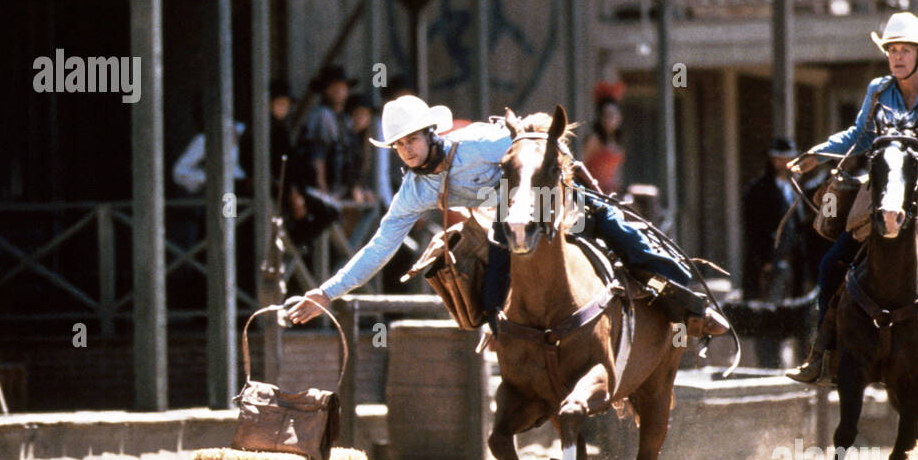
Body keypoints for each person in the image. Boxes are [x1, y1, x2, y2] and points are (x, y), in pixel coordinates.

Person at [287, 95, 730, 341]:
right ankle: (502, 337)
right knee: (484, 285)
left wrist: (571, 190)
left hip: (549, 204)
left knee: (617, 230)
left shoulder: (481, 142)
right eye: (398, 145)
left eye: (411, 140)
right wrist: (326, 293)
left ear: (430, 133)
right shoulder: (415, 190)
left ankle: (692, 301)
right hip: (503, 228)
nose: (406, 150)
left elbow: (543, 148)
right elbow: (378, 247)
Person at [787, 12, 918, 383]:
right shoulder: (878, 92)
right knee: (830, 264)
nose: (898, 57)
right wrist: (818, 153)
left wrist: (913, 152)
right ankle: (821, 352)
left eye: (905, 50)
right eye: (892, 51)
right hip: (883, 192)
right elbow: (860, 136)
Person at [742, 137, 807, 368]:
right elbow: (754, 230)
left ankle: (794, 363)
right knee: (769, 315)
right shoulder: (759, 190)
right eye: (780, 159)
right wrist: (765, 262)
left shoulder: (794, 189)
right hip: (770, 266)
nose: (784, 164)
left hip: (792, 265)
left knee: (792, 314)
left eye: (788, 159)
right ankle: (768, 364)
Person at [294, 65, 357, 195]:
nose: (338, 90)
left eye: (342, 86)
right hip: (321, 190)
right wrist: (322, 188)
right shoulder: (322, 115)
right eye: (333, 87)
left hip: (340, 189)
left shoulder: (345, 119)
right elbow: (317, 154)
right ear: (325, 90)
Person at [580, 82, 626, 195]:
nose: (610, 119)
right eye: (606, 115)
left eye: (613, 115)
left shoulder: (617, 140)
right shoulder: (594, 139)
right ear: (600, 118)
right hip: (592, 190)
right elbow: (581, 167)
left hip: (612, 191)